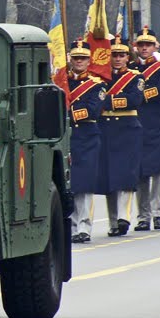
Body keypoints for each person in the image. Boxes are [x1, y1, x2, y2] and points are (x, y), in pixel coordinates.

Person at [96, 35, 144, 237]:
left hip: (127, 128)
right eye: (114, 55)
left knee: (125, 175)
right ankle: (113, 221)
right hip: (106, 129)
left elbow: (135, 100)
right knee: (109, 178)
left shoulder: (136, 77)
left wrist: (108, 101)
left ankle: (124, 217)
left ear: (127, 57)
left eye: (121, 55)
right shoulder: (100, 78)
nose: (117, 58)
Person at [64, 39, 107, 244]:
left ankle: (84, 226)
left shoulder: (97, 85)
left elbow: (92, 110)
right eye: (76, 58)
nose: (79, 61)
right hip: (67, 138)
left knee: (85, 184)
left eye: (82, 58)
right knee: (70, 185)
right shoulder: (62, 82)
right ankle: (72, 226)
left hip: (87, 136)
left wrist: (66, 114)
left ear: (89, 61)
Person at [132, 27, 160, 231]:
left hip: (158, 123)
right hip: (138, 124)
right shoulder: (130, 67)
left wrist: (136, 96)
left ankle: (158, 213)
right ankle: (143, 215)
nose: (144, 48)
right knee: (141, 171)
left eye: (148, 45)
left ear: (155, 46)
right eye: (141, 45)